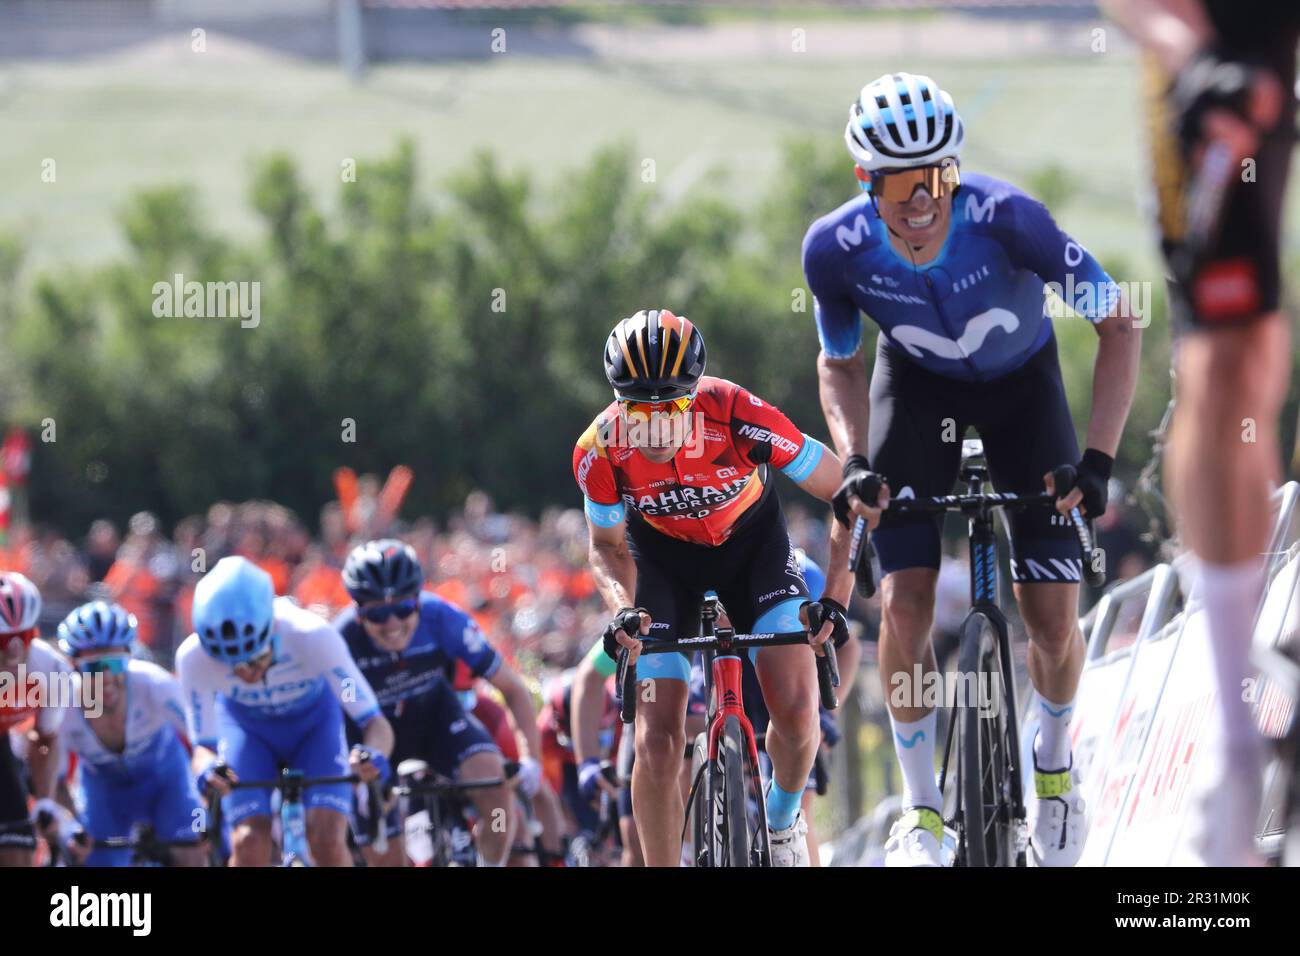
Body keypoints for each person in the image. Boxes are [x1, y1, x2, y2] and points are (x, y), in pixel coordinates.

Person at [804, 72, 1142, 865]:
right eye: (901, 183)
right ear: (866, 181)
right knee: (907, 607)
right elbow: (841, 364)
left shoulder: (1009, 218)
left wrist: (1097, 460)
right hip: (915, 391)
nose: (923, 199)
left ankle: (1054, 769)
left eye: (938, 177)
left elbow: (1121, 324)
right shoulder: (834, 248)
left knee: (1053, 617)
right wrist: (853, 459)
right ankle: (921, 808)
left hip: (1025, 390)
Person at [1101, 0, 1300, 865]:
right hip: (1210, 54)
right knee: (1224, 360)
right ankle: (1233, 725)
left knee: (1262, 356)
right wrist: (1186, 53)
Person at [573, 308, 857, 867]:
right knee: (656, 741)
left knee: (799, 714)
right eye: (637, 409)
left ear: (695, 393)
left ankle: (781, 824)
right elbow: (606, 547)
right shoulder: (598, 449)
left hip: (753, 553)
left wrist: (837, 601)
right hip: (660, 565)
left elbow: (846, 494)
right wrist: (624, 610)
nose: (653, 425)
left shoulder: (737, 413)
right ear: (617, 401)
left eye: (671, 407)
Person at [176, 556, 394, 867]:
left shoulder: (312, 636)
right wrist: (208, 772)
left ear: (273, 627)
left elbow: (374, 721)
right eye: (230, 664)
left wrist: (374, 755)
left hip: (314, 729)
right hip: (248, 732)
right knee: (249, 840)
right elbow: (204, 747)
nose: (245, 673)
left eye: (255, 658)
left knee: (326, 839)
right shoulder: (192, 658)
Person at [333, 539, 518, 867]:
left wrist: (529, 759)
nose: (391, 624)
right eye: (377, 613)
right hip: (369, 741)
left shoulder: (441, 617)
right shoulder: (340, 639)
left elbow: (512, 688)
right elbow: (328, 719)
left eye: (403, 608)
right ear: (358, 612)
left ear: (418, 601)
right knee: (384, 852)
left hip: (436, 719)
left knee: (497, 792)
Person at [50, 601, 206, 866]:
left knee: (190, 852)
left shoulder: (155, 685)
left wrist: (203, 799)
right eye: (94, 667)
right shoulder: (61, 705)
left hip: (167, 781)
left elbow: (201, 741)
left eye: (115, 663)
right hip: (104, 791)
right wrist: (71, 821)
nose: (107, 677)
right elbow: (54, 779)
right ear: (74, 666)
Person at [0, 572, 70, 866]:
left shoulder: (52, 669)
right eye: (3, 641)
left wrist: (44, 799)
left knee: (20, 850)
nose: (14, 652)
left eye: (24, 638)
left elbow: (45, 740)